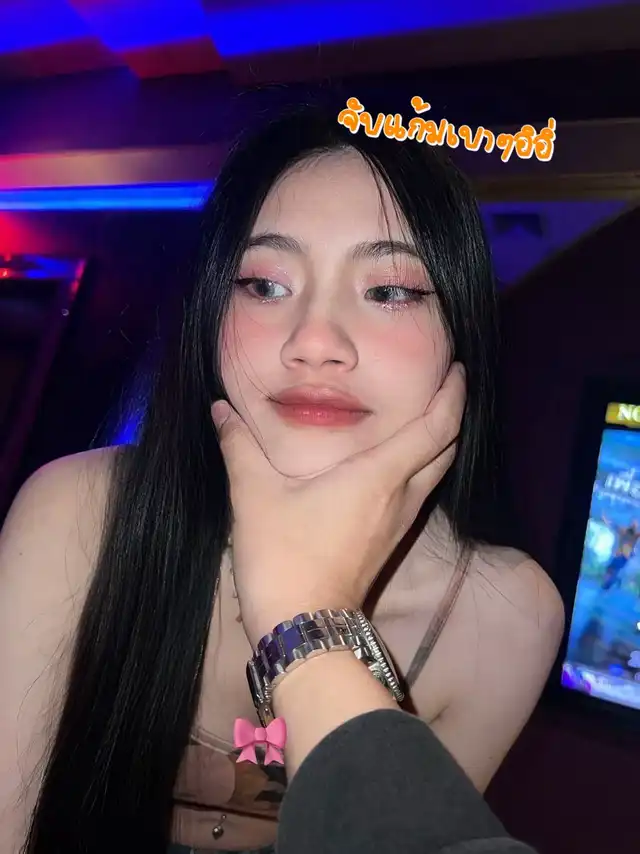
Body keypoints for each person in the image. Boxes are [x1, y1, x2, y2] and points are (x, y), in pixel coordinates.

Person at [0, 103, 564, 854]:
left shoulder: (507, 615)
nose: (315, 342)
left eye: (389, 291)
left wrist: (305, 612)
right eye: (265, 285)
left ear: (462, 335)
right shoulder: (77, 513)